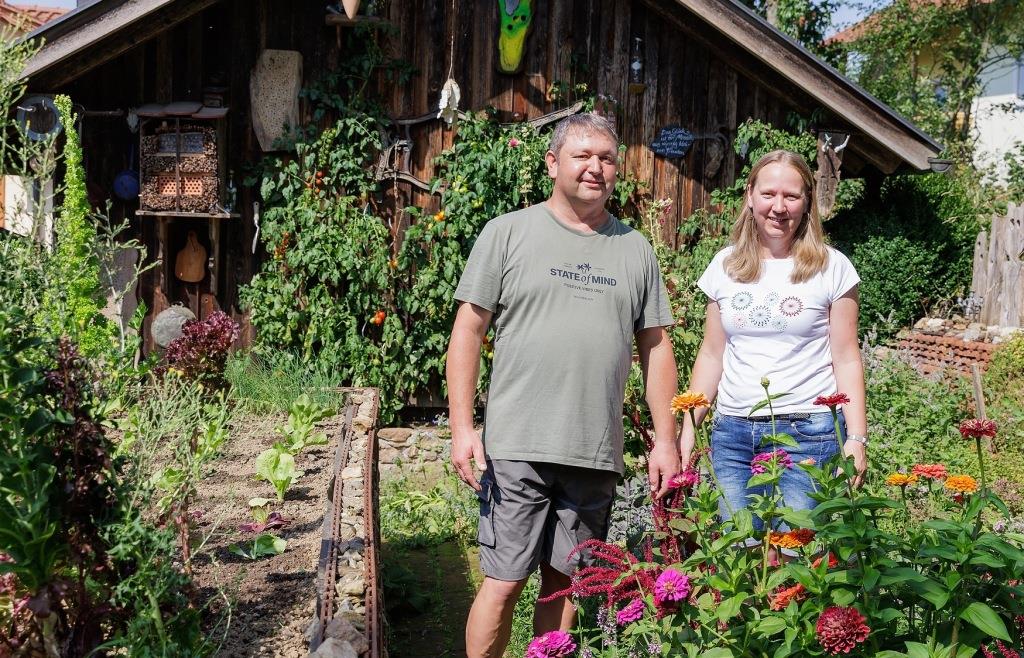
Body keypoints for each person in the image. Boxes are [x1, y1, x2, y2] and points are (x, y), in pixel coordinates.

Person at [446, 113, 679, 658]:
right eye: (582, 156)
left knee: (564, 585)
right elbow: (468, 331)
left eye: (607, 158)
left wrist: (665, 440)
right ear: (553, 163)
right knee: (503, 583)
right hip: (517, 446)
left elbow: (656, 347)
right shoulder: (508, 233)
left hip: (594, 451)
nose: (596, 167)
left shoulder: (634, 249)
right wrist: (462, 426)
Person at [678, 149, 868, 532]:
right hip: (733, 435)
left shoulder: (832, 267)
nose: (778, 207)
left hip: (808, 433)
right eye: (768, 194)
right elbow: (712, 354)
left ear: (807, 202)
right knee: (740, 548)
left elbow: (847, 357)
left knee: (797, 552)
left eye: (791, 196)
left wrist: (857, 439)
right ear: (750, 196)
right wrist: (688, 429)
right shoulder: (725, 265)